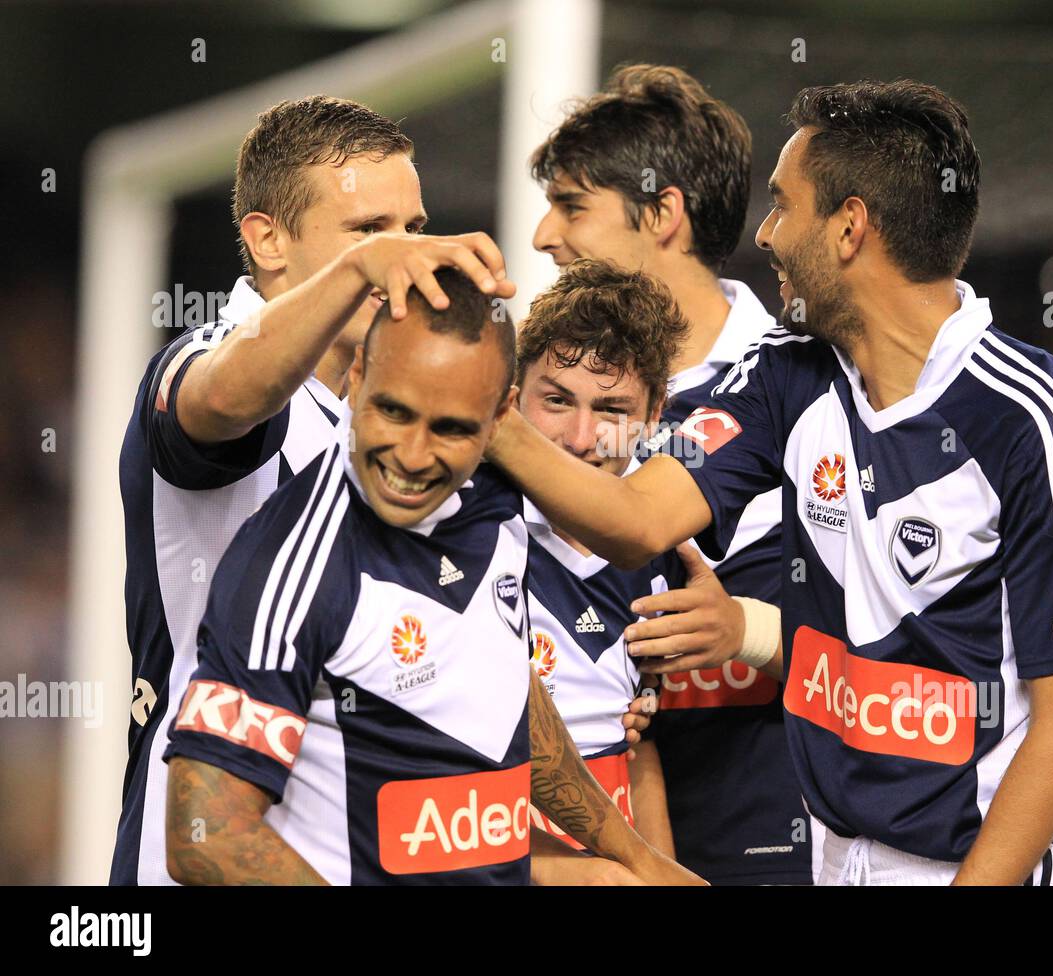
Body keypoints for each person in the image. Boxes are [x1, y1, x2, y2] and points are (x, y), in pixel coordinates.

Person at [489, 79, 1053, 885]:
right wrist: (484, 414)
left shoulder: (1041, 427)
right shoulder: (782, 381)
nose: (764, 235)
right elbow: (635, 517)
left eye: (782, 206)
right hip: (838, 862)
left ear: (849, 228)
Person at [163, 271, 701, 885]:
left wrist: (634, 862)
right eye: (395, 411)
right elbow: (206, 836)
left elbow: (500, 682)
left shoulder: (498, 501)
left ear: (499, 419)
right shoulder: (289, 566)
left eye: (451, 427)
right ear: (358, 375)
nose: (414, 457)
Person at [112, 93, 526, 885]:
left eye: (412, 227)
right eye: (368, 232)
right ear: (267, 240)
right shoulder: (218, 364)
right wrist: (359, 274)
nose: (401, 257)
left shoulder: (406, 407)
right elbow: (225, 399)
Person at [528, 63, 812, 885]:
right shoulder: (536, 389)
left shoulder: (802, 392)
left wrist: (747, 632)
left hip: (771, 830)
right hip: (591, 834)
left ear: (662, 212)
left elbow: (901, 637)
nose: (546, 233)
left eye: (572, 204)